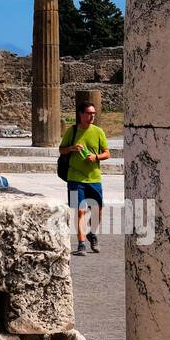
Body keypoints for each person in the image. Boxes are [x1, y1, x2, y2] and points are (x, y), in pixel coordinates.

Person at [60, 102, 110, 256]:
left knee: (98, 211)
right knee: (79, 211)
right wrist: (71, 149)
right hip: (74, 178)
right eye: (88, 113)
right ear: (81, 114)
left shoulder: (99, 132)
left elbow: (107, 153)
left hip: (94, 178)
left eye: (93, 113)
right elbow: (61, 150)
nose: (91, 116)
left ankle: (92, 233)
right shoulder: (72, 131)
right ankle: (81, 244)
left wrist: (96, 157)